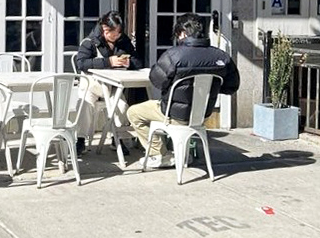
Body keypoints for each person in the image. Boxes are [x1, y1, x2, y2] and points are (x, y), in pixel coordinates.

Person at [127, 13, 240, 168]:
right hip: (201, 115)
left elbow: (156, 80)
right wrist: (206, 89)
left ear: (182, 33)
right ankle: (181, 153)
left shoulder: (173, 55)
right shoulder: (221, 57)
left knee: (134, 112)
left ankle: (158, 154)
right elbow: (231, 86)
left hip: (174, 114)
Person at [75, 10, 143, 155]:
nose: (111, 35)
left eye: (115, 32)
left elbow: (138, 62)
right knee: (84, 105)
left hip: (113, 86)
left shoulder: (124, 42)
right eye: (107, 31)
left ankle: (117, 138)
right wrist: (108, 61)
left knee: (122, 105)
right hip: (91, 85)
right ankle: (80, 140)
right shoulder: (90, 42)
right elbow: (81, 63)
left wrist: (127, 63)